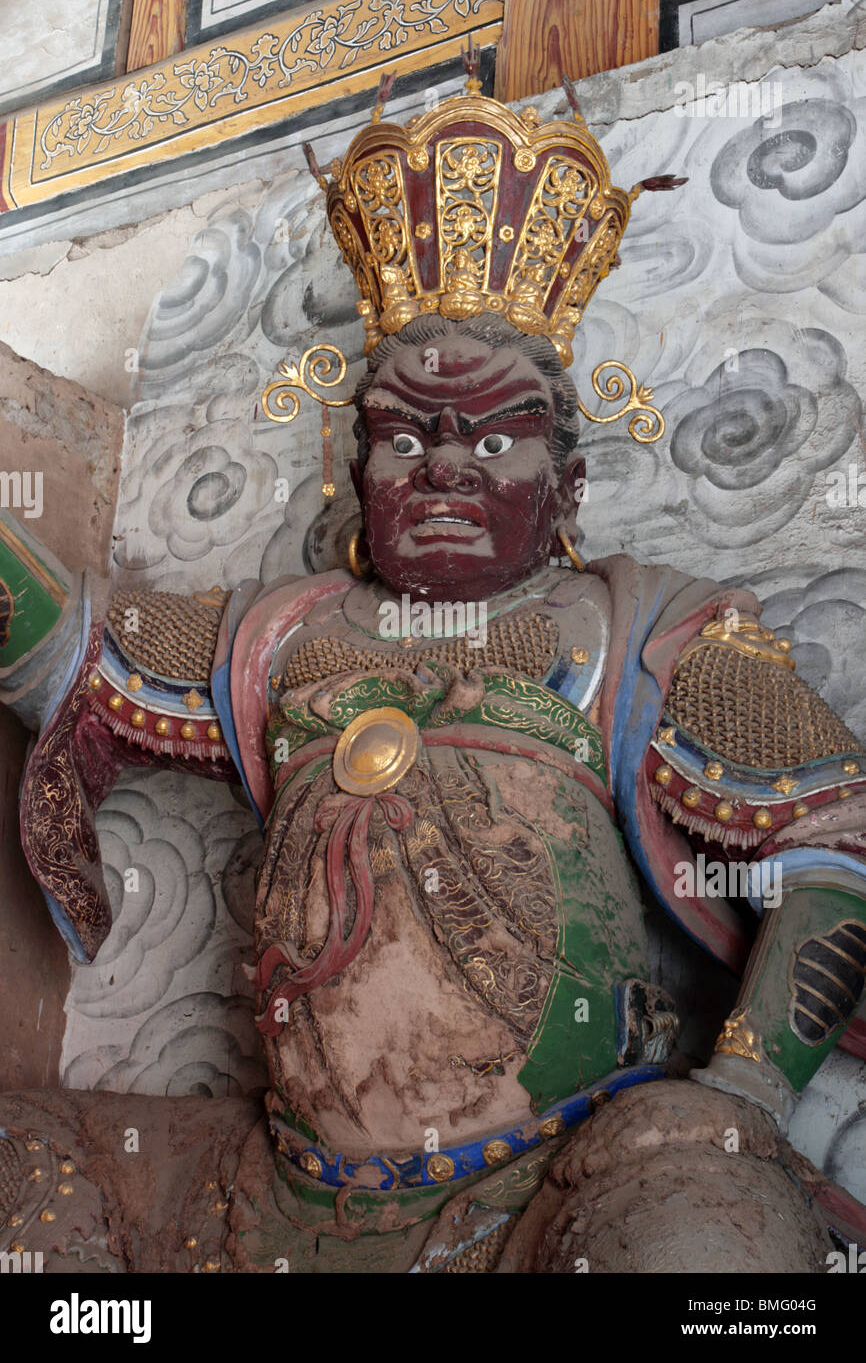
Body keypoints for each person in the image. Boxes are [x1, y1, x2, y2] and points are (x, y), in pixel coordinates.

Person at [1, 66, 864, 1274]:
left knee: (710, 1252)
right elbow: (68, 653)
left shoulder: (641, 624)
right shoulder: (280, 632)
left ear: (564, 485)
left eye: (497, 435)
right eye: (402, 436)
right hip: (278, 1195)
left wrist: (742, 1091)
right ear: (356, 479)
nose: (446, 465)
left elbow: (835, 846)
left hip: (561, 1185)